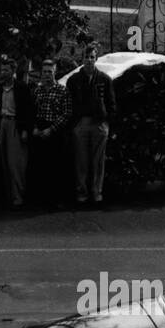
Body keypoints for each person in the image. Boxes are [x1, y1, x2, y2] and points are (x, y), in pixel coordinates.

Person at [68, 40, 116, 207]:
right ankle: (82, 194)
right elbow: (70, 104)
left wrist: (107, 124)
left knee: (98, 161)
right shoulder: (74, 80)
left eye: (92, 57)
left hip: (99, 124)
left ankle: (97, 193)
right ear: (82, 59)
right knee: (81, 160)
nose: (89, 60)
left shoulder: (105, 79)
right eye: (86, 57)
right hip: (81, 123)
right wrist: (74, 124)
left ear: (96, 59)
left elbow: (112, 104)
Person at [29, 56, 73, 208]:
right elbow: (32, 111)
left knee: (56, 166)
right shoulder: (37, 90)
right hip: (39, 129)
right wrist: (34, 127)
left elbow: (67, 114)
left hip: (55, 131)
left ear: (55, 72)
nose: (47, 74)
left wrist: (51, 129)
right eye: (45, 72)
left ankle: (56, 200)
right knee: (40, 166)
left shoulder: (62, 90)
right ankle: (42, 199)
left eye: (50, 71)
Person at [0, 55, 34, 208]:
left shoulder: (22, 87)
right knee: (5, 162)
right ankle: (9, 197)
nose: (3, 72)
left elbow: (28, 111)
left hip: (16, 125)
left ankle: (19, 197)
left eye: (6, 70)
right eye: (2, 70)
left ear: (13, 71)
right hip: (4, 124)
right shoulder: (1, 88)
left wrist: (25, 131)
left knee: (16, 163)